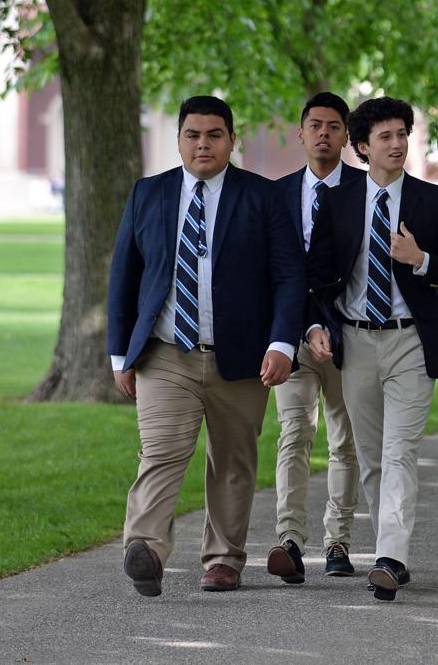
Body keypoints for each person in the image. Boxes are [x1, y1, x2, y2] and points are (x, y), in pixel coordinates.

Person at [108, 95, 305, 596]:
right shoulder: (148, 193)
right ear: (178, 140)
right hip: (165, 352)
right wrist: (120, 355)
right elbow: (124, 276)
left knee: (233, 462)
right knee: (160, 453)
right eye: (192, 135)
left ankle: (223, 559)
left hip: (241, 358)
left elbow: (288, 277)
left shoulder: (262, 197)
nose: (203, 144)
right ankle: (146, 549)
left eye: (214, 135)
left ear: (232, 140)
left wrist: (282, 343)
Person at [305, 96, 438, 602]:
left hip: (410, 339)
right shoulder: (337, 202)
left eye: (403, 134)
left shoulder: (434, 201)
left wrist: (422, 260)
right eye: (386, 137)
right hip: (355, 340)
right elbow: (315, 276)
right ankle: (389, 555)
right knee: (372, 456)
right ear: (362, 147)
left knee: (400, 451)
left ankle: (390, 558)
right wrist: (315, 324)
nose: (397, 144)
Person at [267, 92, 365, 584]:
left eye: (334, 126)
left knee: (346, 440)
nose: (324, 133)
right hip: (293, 338)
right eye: (315, 125)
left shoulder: (367, 191)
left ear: (346, 136)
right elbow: (276, 270)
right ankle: (289, 539)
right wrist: (303, 327)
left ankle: (338, 542)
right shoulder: (277, 195)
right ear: (301, 133)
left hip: (351, 337)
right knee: (295, 434)